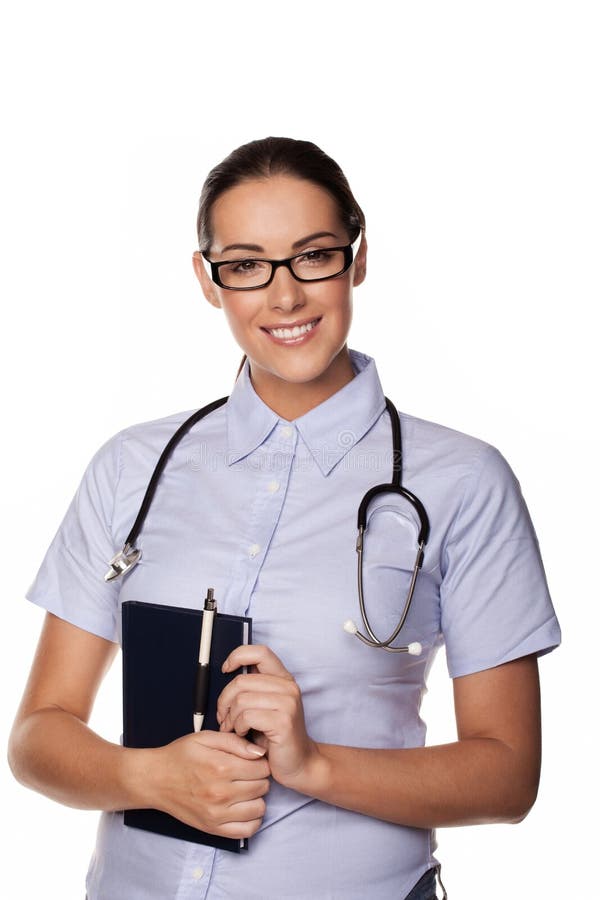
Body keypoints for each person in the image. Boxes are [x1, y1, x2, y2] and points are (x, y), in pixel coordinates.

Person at [8, 136, 561, 900]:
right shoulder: (132, 467)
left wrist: (313, 766)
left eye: (313, 255)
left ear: (357, 259)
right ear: (209, 281)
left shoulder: (463, 481)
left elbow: (507, 775)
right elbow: (39, 733)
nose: (285, 296)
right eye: (245, 265)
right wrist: (148, 774)